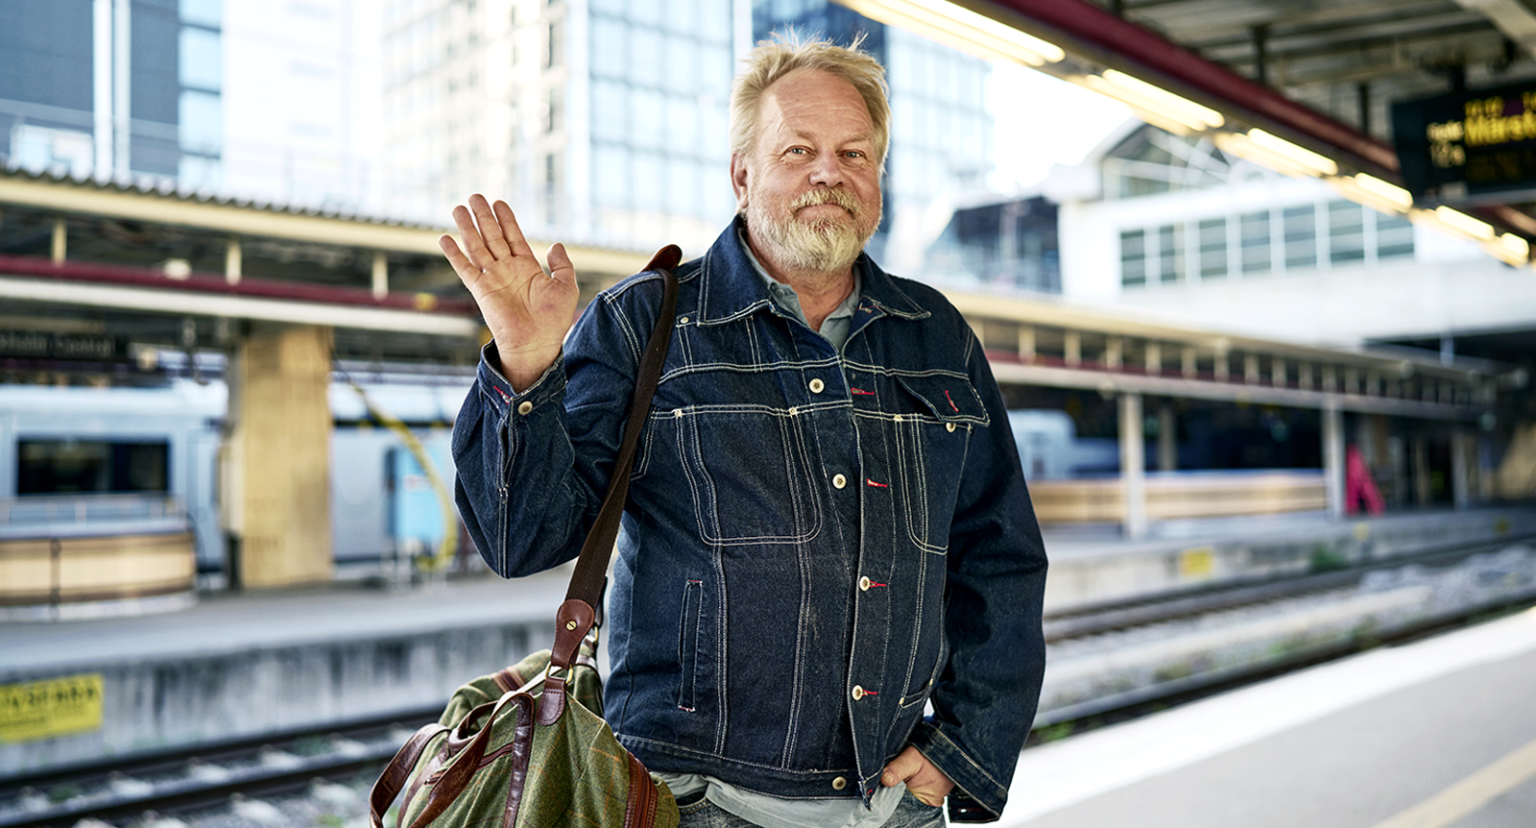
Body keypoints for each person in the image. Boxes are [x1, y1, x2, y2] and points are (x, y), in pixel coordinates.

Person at [442, 36, 1047, 828]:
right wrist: (526, 370)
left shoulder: (936, 337)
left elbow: (998, 559)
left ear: (877, 179)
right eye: (797, 150)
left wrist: (960, 750)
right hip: (692, 803)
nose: (829, 172)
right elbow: (520, 538)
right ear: (742, 175)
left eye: (853, 153)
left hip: (892, 804)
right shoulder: (646, 322)